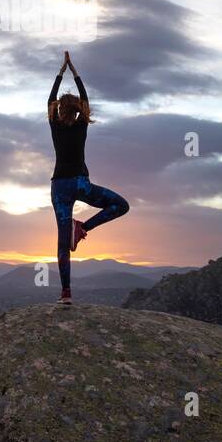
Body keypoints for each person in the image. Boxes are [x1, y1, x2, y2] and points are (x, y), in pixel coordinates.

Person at [47, 50, 129, 305]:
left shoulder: (54, 125)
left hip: (60, 187)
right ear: (78, 111)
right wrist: (75, 71)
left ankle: (66, 293)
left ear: (60, 110)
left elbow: (49, 100)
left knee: (62, 242)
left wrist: (61, 72)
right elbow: (85, 100)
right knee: (121, 205)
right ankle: (83, 227)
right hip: (81, 184)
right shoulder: (82, 125)